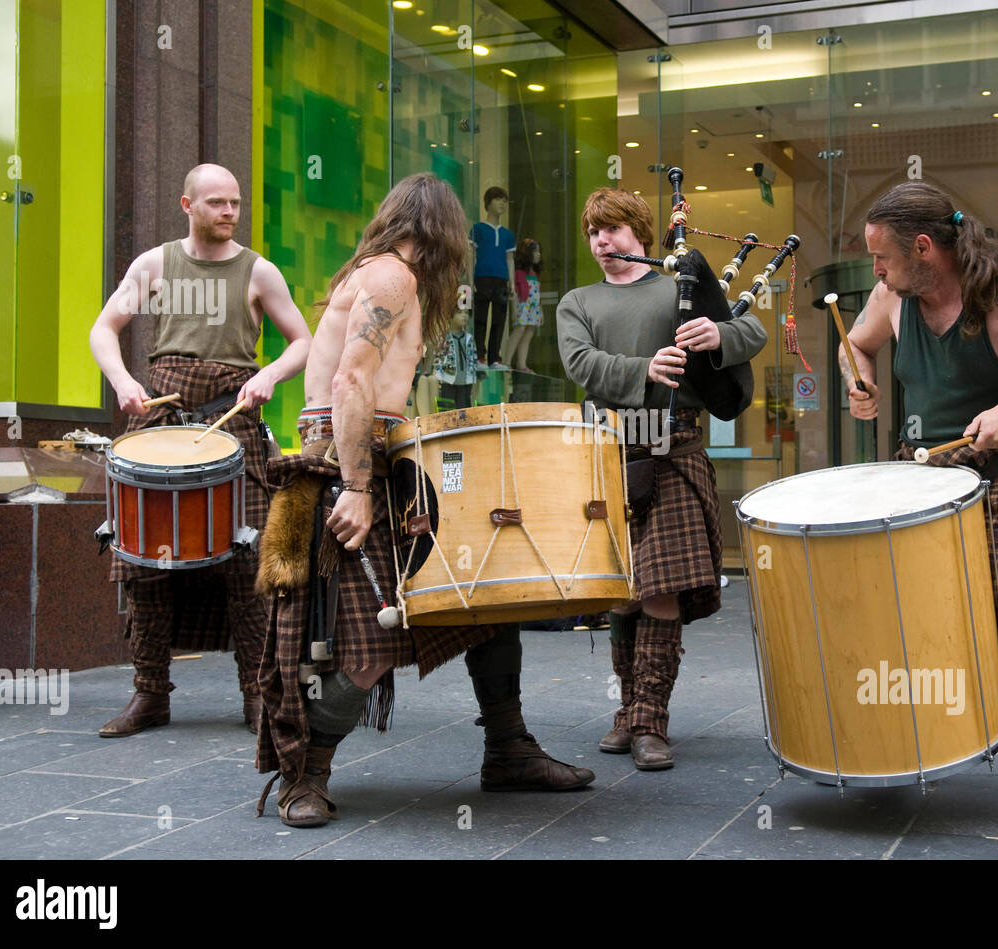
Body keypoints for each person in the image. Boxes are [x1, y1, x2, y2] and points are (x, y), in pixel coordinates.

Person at [255, 173, 592, 829]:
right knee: (363, 643)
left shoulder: (376, 271)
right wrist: (355, 488)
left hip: (378, 460)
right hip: (348, 466)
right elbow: (353, 378)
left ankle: (508, 748)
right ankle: (305, 772)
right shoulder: (392, 280)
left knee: (482, 602)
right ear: (442, 232)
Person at [839, 181, 998, 849]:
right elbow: (856, 344)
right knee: (889, 618)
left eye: (882, 258)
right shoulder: (890, 299)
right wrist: (858, 379)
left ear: (924, 248)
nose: (877, 270)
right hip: (923, 479)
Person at [89, 163, 311, 737]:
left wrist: (270, 376)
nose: (230, 212)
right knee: (146, 564)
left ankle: (259, 698)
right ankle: (150, 696)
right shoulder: (155, 264)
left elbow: (302, 341)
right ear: (187, 205)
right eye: (217, 202)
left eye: (235, 202)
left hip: (232, 427)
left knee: (247, 567)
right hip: (161, 428)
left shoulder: (260, 271)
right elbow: (103, 329)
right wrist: (123, 383)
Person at [556, 188, 767, 770]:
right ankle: (628, 710)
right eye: (594, 233)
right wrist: (643, 368)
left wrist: (718, 336)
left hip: (673, 446)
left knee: (661, 585)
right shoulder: (577, 301)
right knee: (623, 590)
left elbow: (751, 333)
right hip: (605, 454)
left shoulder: (680, 285)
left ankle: (650, 720)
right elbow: (580, 363)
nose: (602, 242)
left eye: (613, 229)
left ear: (641, 232)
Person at [469, 186, 515, 370]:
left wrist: (511, 281)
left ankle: (495, 358)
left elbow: (510, 259)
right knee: (480, 318)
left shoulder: (507, 234)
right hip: (481, 277)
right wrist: (470, 280)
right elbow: (470, 254)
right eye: (498, 199)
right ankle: (479, 356)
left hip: (501, 279)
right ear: (488, 203)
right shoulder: (478, 229)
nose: (502, 203)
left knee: (499, 319)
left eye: (504, 200)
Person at [500, 238, 542, 372]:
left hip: (533, 307)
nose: (538, 255)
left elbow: (537, 294)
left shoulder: (534, 274)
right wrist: (514, 308)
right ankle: (506, 361)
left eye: (539, 252)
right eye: (535, 252)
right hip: (523, 305)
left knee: (529, 332)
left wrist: (540, 310)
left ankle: (521, 364)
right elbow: (514, 293)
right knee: (520, 329)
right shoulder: (518, 274)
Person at [432, 308, 478, 409]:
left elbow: (473, 358)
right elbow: (438, 358)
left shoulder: (469, 338)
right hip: (448, 381)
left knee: (464, 411)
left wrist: (474, 377)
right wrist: (438, 376)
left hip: (465, 382)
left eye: (466, 313)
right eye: (459, 313)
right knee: (447, 411)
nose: (464, 316)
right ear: (450, 316)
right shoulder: (444, 337)